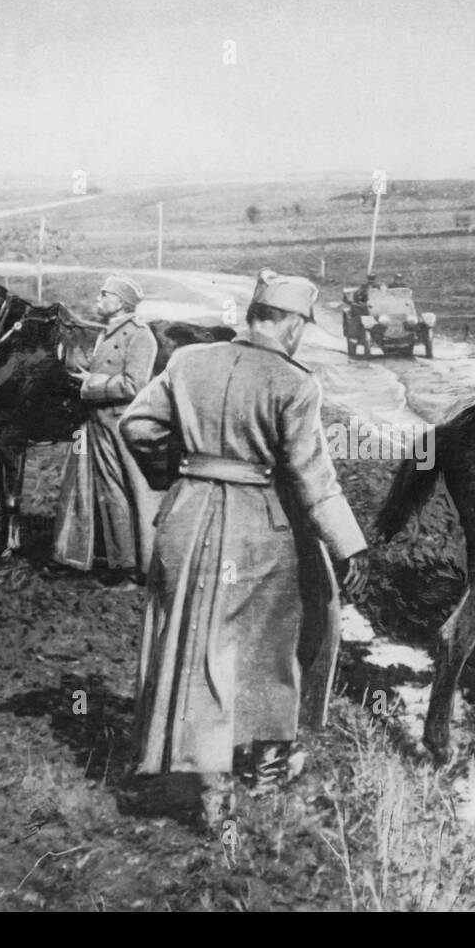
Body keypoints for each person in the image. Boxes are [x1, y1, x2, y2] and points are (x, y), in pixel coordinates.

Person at [120, 267, 368, 821]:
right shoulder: (295, 382)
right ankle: (263, 767)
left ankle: (196, 765)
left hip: (185, 518)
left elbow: (136, 427)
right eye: (303, 323)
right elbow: (312, 478)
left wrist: (182, 472)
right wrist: (350, 546)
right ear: (291, 323)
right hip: (259, 529)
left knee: (190, 637)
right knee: (268, 647)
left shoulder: (188, 361)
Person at [51, 275, 162, 583]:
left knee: (119, 493)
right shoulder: (106, 332)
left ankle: (126, 566)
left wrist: (90, 385)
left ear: (121, 302)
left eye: (104, 296)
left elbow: (134, 385)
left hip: (116, 425)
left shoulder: (141, 336)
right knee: (77, 489)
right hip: (92, 423)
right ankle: (72, 556)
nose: (97, 301)